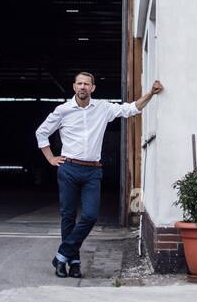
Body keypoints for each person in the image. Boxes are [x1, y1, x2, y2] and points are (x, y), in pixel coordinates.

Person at [35, 71, 163, 278]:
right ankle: (73, 263)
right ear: (74, 87)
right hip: (68, 168)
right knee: (68, 216)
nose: (83, 87)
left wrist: (151, 93)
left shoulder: (103, 108)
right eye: (79, 83)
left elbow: (132, 109)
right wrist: (50, 158)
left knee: (90, 215)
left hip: (93, 170)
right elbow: (41, 132)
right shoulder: (63, 110)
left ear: (93, 88)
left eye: (87, 84)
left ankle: (62, 255)